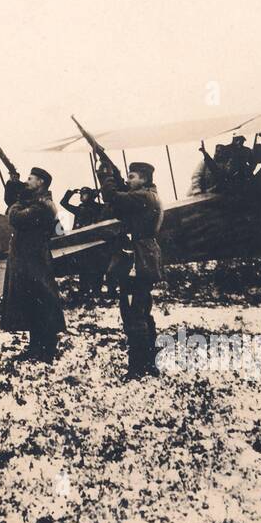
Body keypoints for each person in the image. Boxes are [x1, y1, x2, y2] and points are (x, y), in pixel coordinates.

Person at [98, 161, 164, 378]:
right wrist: (116, 177)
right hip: (144, 257)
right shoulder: (148, 196)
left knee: (132, 314)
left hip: (136, 260)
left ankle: (137, 367)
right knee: (143, 310)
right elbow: (120, 202)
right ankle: (151, 362)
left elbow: (113, 197)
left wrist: (106, 176)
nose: (128, 180)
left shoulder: (142, 197)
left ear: (144, 179)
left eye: (132, 176)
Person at [1, 167, 65, 362]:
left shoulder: (44, 205)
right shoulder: (36, 202)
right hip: (30, 260)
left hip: (35, 260)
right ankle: (36, 347)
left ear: (41, 183)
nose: (27, 182)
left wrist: (18, 199)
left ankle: (46, 349)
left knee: (42, 302)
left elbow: (16, 217)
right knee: (33, 302)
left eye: (31, 179)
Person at [60, 186, 112, 295]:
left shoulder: (98, 208)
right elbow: (63, 203)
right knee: (83, 267)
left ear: (90, 196)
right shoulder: (80, 208)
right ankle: (84, 289)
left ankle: (96, 290)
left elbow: (109, 206)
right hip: (81, 242)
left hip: (94, 242)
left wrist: (100, 193)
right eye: (81, 194)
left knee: (97, 267)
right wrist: (70, 193)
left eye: (84, 194)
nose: (81, 196)